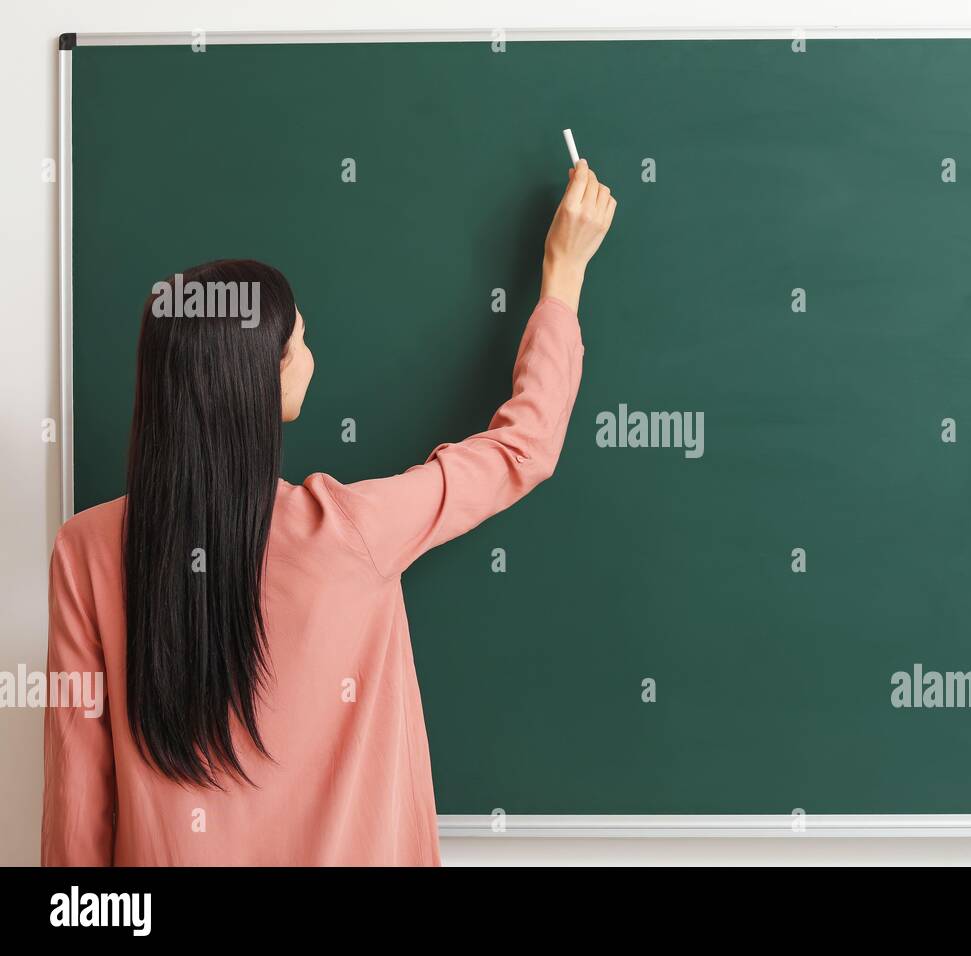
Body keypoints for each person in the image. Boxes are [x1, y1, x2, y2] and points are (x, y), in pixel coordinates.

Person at [42, 160, 615, 866]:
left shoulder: (86, 549)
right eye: (298, 345)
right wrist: (562, 278)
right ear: (262, 384)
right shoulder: (354, 531)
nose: (310, 355)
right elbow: (524, 447)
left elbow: (78, 805)